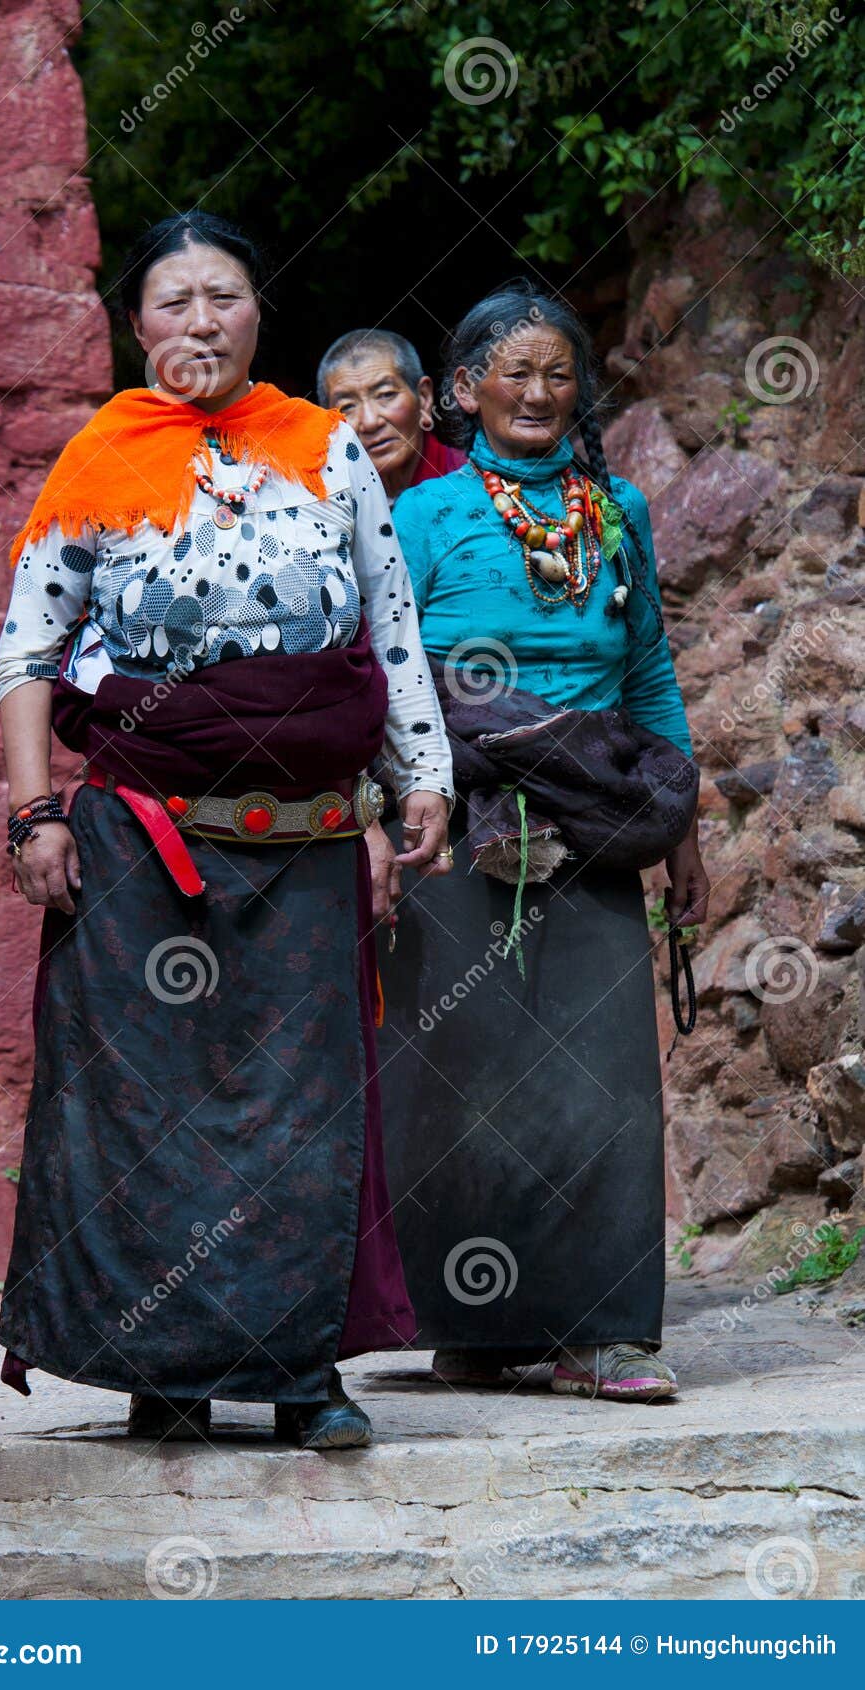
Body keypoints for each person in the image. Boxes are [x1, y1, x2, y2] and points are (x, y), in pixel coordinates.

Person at [0, 211, 454, 1450]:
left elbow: (388, 625)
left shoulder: (324, 447)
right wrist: (35, 812)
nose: (200, 322)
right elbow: (28, 651)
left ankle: (304, 1378)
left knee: (303, 1112)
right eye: (174, 301)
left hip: (304, 843)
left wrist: (421, 773)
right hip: (143, 848)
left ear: (259, 313)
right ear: (135, 322)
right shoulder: (98, 457)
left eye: (225, 297)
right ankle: (167, 1372)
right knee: (150, 1110)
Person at [375, 282, 710, 1403]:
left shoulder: (617, 511)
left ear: (579, 390)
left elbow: (648, 668)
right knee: (460, 1074)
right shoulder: (421, 515)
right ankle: (476, 1326)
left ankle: (602, 1330)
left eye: (556, 373)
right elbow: (386, 675)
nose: (535, 392)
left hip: (597, 811)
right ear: (463, 392)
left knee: (601, 1077)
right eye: (511, 373)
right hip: (456, 819)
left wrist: (681, 828)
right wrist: (385, 817)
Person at [317, 329, 465, 506]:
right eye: (347, 406)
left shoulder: (474, 482)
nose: (370, 422)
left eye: (386, 394)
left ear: (424, 398)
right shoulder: (328, 508)